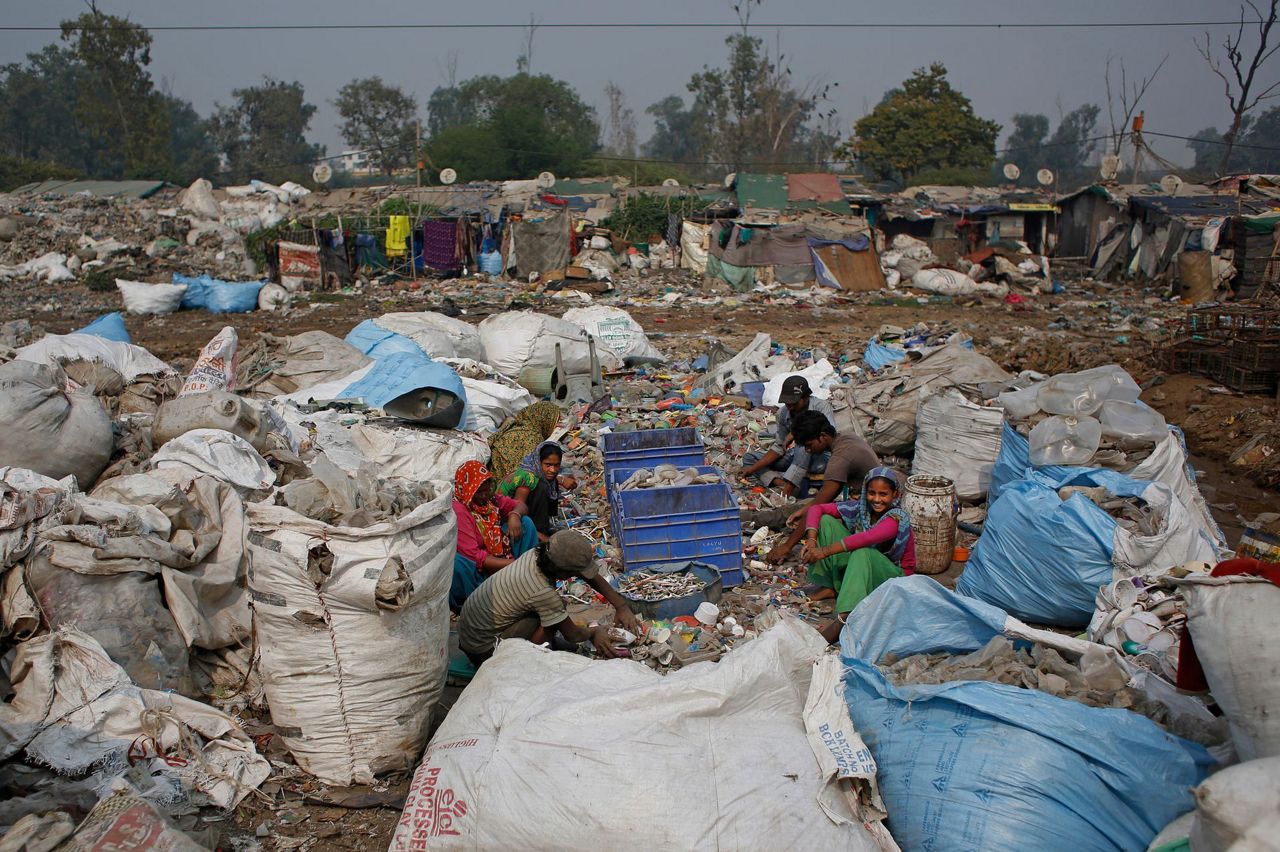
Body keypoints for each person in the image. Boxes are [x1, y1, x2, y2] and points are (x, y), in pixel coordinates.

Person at [458, 530, 641, 668]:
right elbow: (573, 635)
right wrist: (594, 632)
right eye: (573, 573)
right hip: (483, 650)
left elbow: (587, 573)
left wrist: (621, 605)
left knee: (554, 611)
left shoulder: (536, 555)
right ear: (562, 572)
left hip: (472, 633)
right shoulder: (541, 589)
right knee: (554, 614)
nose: (578, 575)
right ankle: (527, 660)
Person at [799, 467, 915, 644]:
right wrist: (812, 541)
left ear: (894, 494)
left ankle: (847, 615)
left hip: (894, 576)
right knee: (826, 521)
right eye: (871, 493)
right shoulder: (860, 509)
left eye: (883, 494)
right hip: (863, 565)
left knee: (862, 550)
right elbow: (817, 509)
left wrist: (823, 551)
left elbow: (867, 538)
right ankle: (833, 586)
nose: (876, 499)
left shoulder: (897, 518)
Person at [765, 410, 880, 564]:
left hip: (870, 517)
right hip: (865, 506)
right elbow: (827, 496)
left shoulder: (840, 457)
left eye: (809, 445)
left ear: (823, 436)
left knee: (805, 514)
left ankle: (750, 519)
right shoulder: (847, 438)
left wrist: (787, 546)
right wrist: (805, 509)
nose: (807, 450)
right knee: (801, 509)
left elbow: (819, 506)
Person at [450, 460, 539, 612]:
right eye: (478, 492)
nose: (483, 496)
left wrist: (514, 515)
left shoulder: (490, 500)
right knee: (458, 563)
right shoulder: (459, 509)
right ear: (467, 489)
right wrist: (515, 565)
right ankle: (480, 603)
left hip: (502, 559)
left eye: (486, 491)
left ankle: (527, 576)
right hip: (479, 573)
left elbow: (520, 505)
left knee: (525, 523)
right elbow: (475, 556)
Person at [741, 376, 835, 498]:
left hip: (820, 458)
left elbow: (830, 435)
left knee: (804, 445)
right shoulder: (783, 413)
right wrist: (752, 469)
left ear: (805, 398)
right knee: (750, 458)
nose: (790, 407)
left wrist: (795, 434)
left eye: (794, 403)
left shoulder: (822, 407)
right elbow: (779, 447)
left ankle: (789, 489)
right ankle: (781, 483)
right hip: (795, 457)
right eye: (787, 403)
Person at [497, 441, 577, 541]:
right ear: (538, 462)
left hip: (519, 512)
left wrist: (562, 480)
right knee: (541, 487)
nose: (552, 470)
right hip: (506, 519)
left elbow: (553, 477)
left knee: (551, 482)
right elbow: (517, 507)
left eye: (556, 465)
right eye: (548, 465)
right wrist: (542, 537)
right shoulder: (528, 478)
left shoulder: (538, 472)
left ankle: (545, 525)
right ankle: (538, 530)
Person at [488, 401, 561, 479]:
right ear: (545, 420)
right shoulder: (533, 438)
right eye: (554, 422)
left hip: (496, 482)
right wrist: (561, 480)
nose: (554, 427)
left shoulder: (514, 427)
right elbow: (529, 475)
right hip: (511, 486)